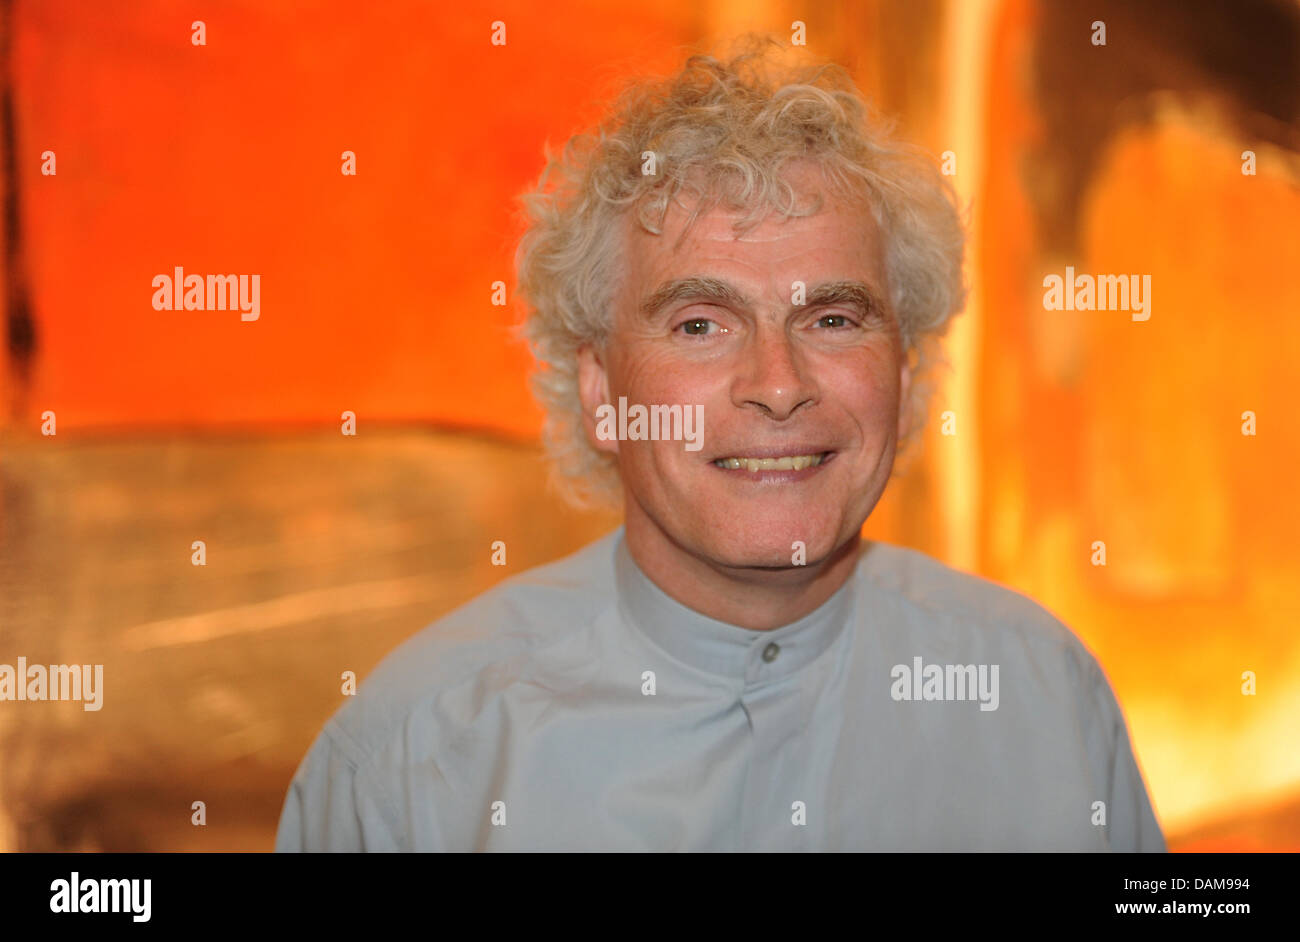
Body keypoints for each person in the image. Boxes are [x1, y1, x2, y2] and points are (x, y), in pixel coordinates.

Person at [275, 39, 1165, 852]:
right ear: (600, 392)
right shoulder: (414, 759)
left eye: (833, 317)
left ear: (904, 373)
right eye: (701, 324)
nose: (778, 384)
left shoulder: (1045, 700)